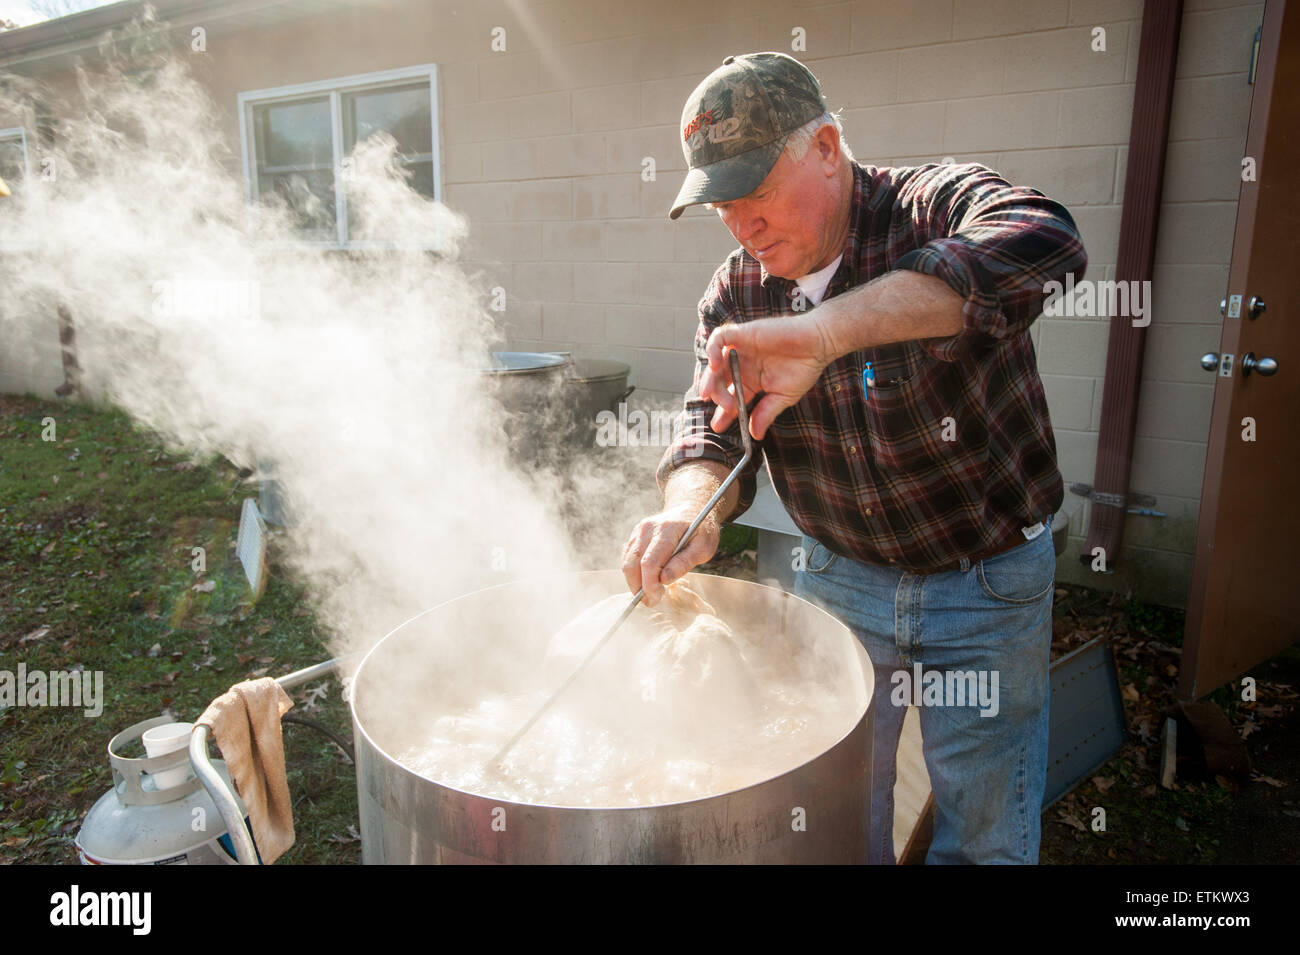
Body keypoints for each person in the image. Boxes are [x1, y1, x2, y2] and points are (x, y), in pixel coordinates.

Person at [622, 51, 1087, 864]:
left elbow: (1047, 242)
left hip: (986, 580)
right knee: (832, 808)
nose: (742, 225)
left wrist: (825, 331)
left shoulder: (932, 204)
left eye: (756, 191)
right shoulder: (735, 291)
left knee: (983, 830)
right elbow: (712, 429)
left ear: (828, 147)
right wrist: (684, 507)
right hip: (840, 580)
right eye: (720, 204)